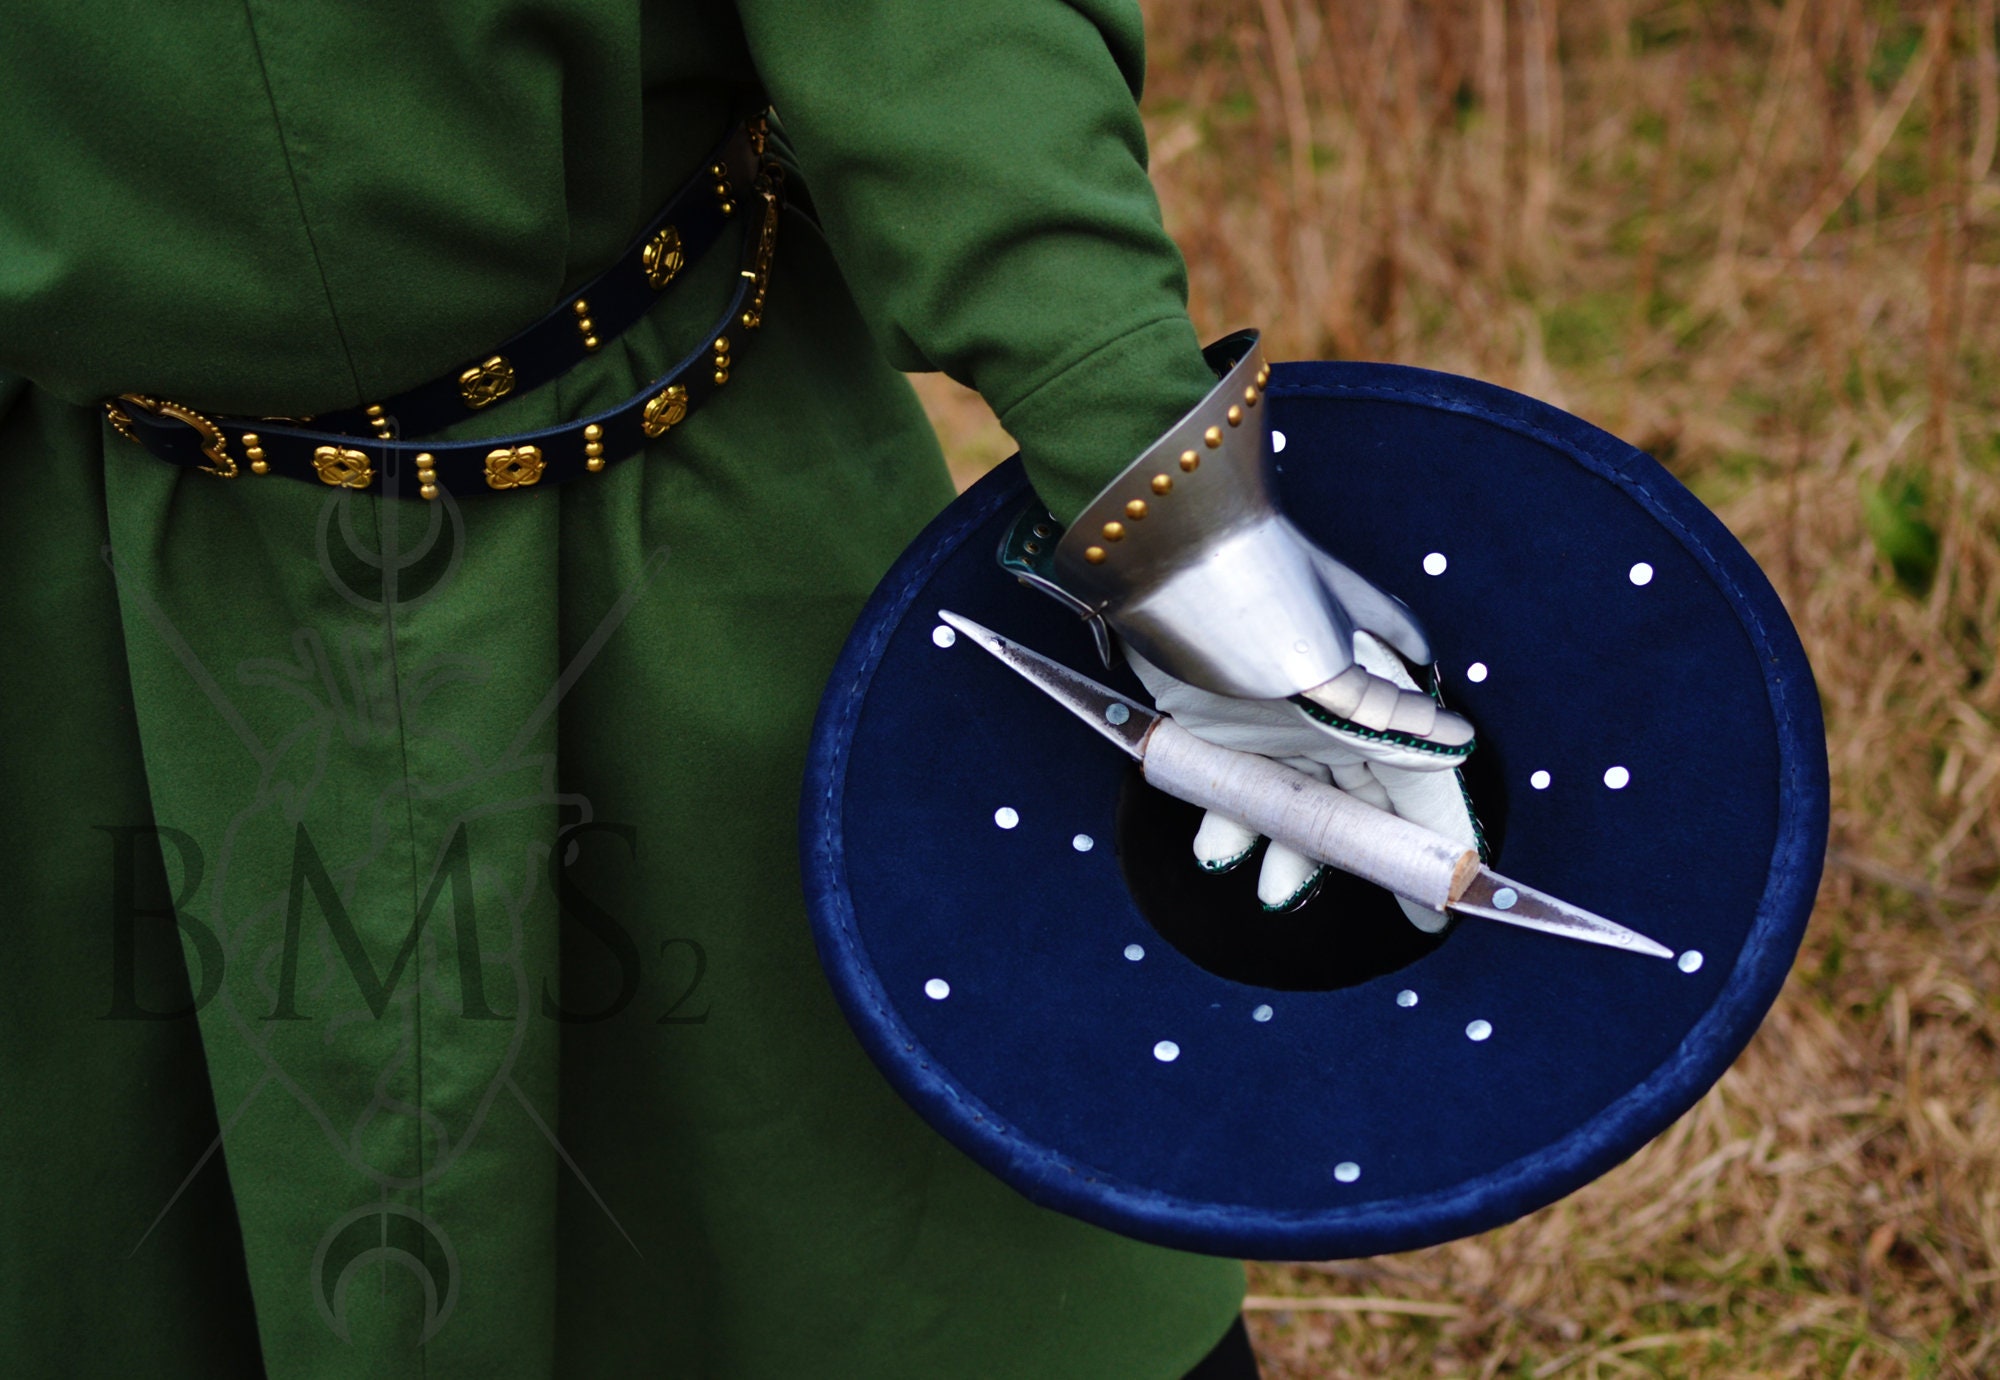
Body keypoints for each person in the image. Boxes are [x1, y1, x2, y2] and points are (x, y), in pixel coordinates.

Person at [0, 3, 1456, 1375]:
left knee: (940, 1267)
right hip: (95, 625)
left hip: (697, 547)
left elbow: (929, 37)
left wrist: (1175, 518)